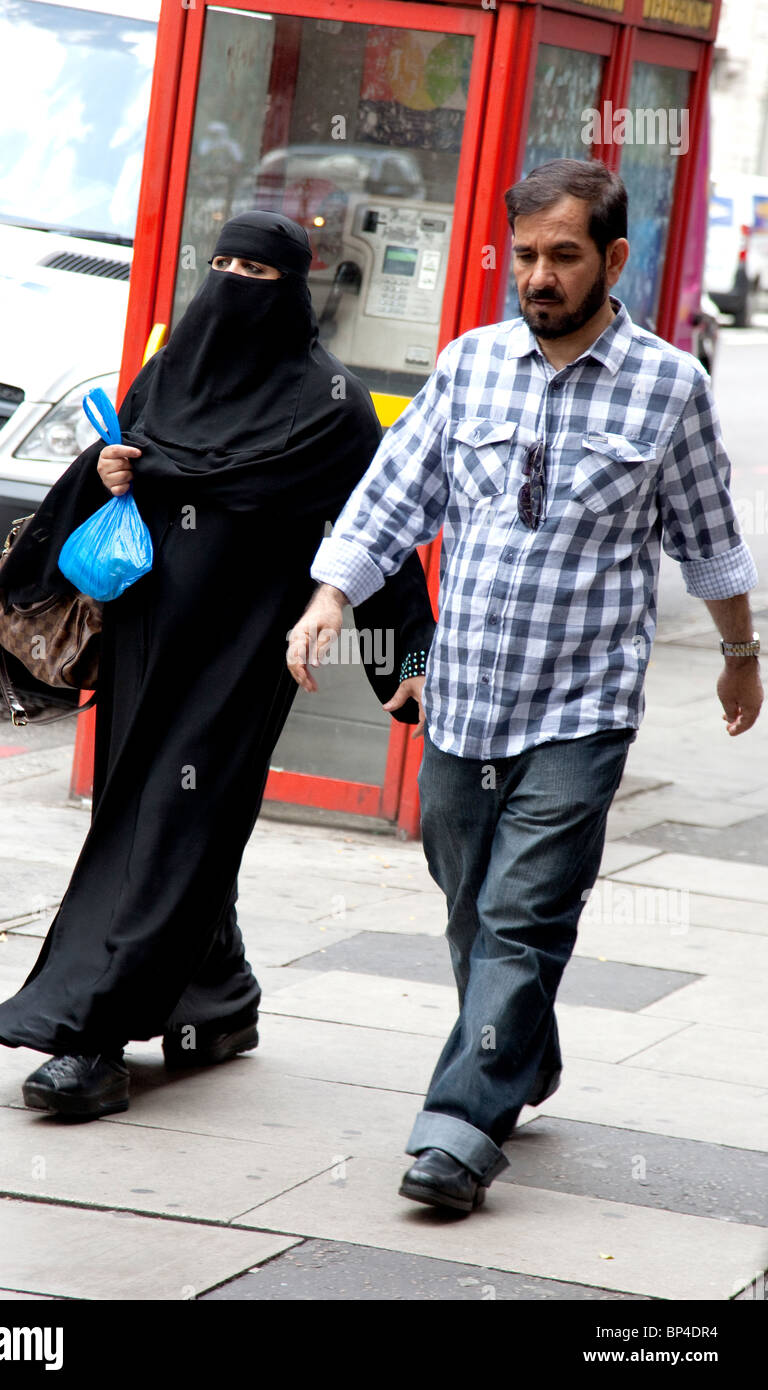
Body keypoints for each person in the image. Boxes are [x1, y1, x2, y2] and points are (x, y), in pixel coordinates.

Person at [286, 160, 762, 1214]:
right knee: (467, 898)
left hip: (581, 705)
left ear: (615, 259)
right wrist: (331, 598)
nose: (538, 277)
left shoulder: (668, 387)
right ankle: (523, 1054)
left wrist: (740, 652)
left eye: (563, 256)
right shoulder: (468, 367)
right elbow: (390, 498)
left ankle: (458, 1130)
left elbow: (710, 543)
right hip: (463, 696)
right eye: (527, 256)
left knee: (522, 911)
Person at [0, 211, 434, 1119]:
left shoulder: (331, 406)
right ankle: (216, 1001)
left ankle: (89, 1033)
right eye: (220, 262)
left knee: (171, 817)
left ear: (294, 288)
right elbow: (112, 466)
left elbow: (373, 529)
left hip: (243, 649)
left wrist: (403, 658)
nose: (230, 283)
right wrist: (109, 471)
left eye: (256, 271)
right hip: (147, 633)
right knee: (157, 817)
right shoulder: (169, 374)